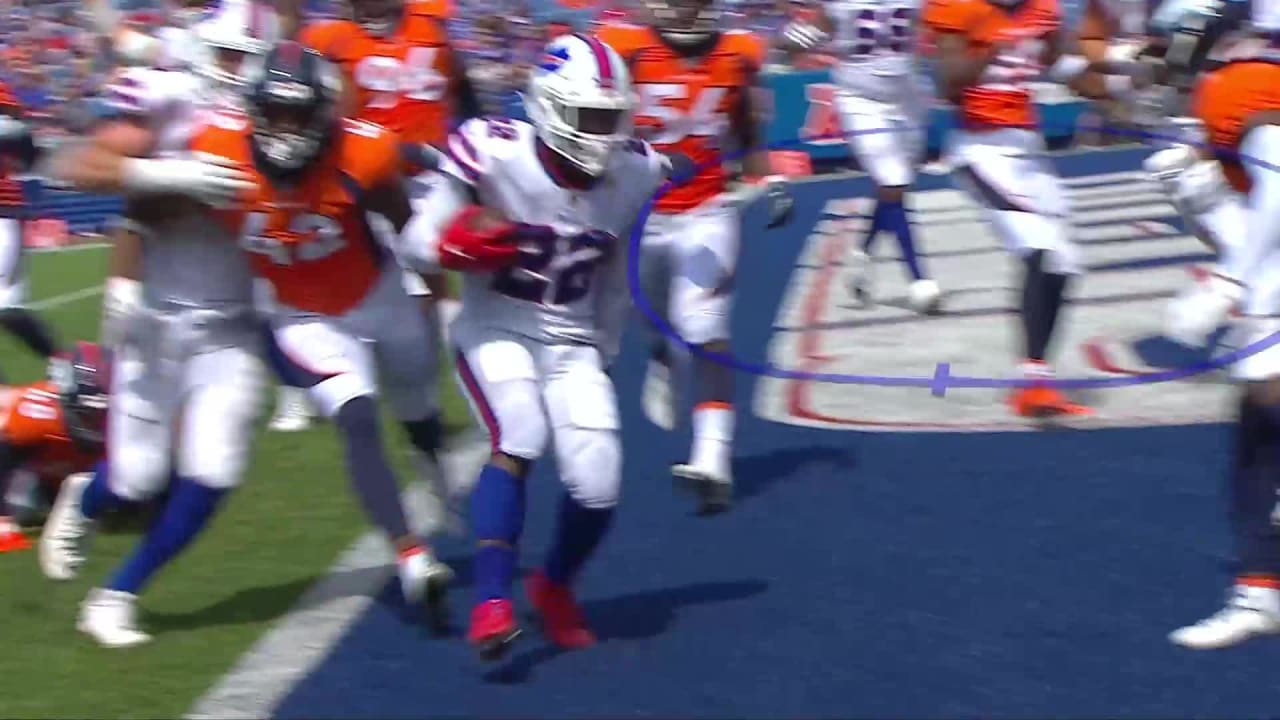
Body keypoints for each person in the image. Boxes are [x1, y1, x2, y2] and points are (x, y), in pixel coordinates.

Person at [405, 32, 687, 659]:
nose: (606, 135)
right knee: (521, 432)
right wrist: (457, 245)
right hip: (495, 326)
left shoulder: (633, 170)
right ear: (550, 106)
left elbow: (618, 265)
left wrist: (608, 345)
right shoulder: (492, 150)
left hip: (574, 337)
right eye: (592, 118)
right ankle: (492, 601)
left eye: (615, 119)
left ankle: (553, 585)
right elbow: (417, 243)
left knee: (599, 483)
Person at [38, 1, 277, 649]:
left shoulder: (286, 106)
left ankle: (116, 594)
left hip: (233, 328)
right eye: (229, 56)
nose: (239, 72)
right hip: (161, 319)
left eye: (250, 59)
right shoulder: (171, 96)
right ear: (205, 52)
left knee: (216, 466)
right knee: (137, 478)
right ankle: (87, 497)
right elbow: (73, 165)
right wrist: (166, 173)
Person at [191, 40, 454, 626]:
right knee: (357, 419)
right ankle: (412, 556)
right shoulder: (213, 150)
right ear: (252, 108)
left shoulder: (365, 152)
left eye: (299, 113)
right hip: (302, 316)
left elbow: (402, 222)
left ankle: (430, 457)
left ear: (324, 113)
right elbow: (125, 187)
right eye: (275, 112)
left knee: (418, 405)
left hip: (380, 295)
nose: (286, 128)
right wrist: (155, 178)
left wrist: (436, 283)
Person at [598, 0, 792, 514]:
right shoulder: (623, 50)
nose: (685, 9)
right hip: (636, 217)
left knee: (704, 329)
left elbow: (747, 127)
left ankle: (713, 460)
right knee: (654, 320)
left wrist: (766, 178)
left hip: (707, 212)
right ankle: (660, 354)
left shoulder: (736, 52)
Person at [922, 0, 1092, 418]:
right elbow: (947, 84)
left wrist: (1122, 85)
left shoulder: (1042, 9)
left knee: (1065, 263)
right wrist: (989, 45)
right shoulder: (960, 9)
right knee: (1043, 251)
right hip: (982, 151)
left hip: (1028, 152)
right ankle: (1032, 385)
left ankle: (1036, 378)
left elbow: (1060, 63)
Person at [781, 0, 940, 313]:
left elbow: (939, 24)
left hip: (907, 99)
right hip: (860, 99)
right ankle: (919, 279)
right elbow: (805, 37)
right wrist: (788, 39)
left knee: (894, 187)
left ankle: (862, 252)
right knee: (893, 181)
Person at [0, 342, 108, 554]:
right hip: (13, 451)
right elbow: (4, 454)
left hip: (48, 460)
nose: (98, 418)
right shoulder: (38, 414)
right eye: (89, 413)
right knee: (24, 503)